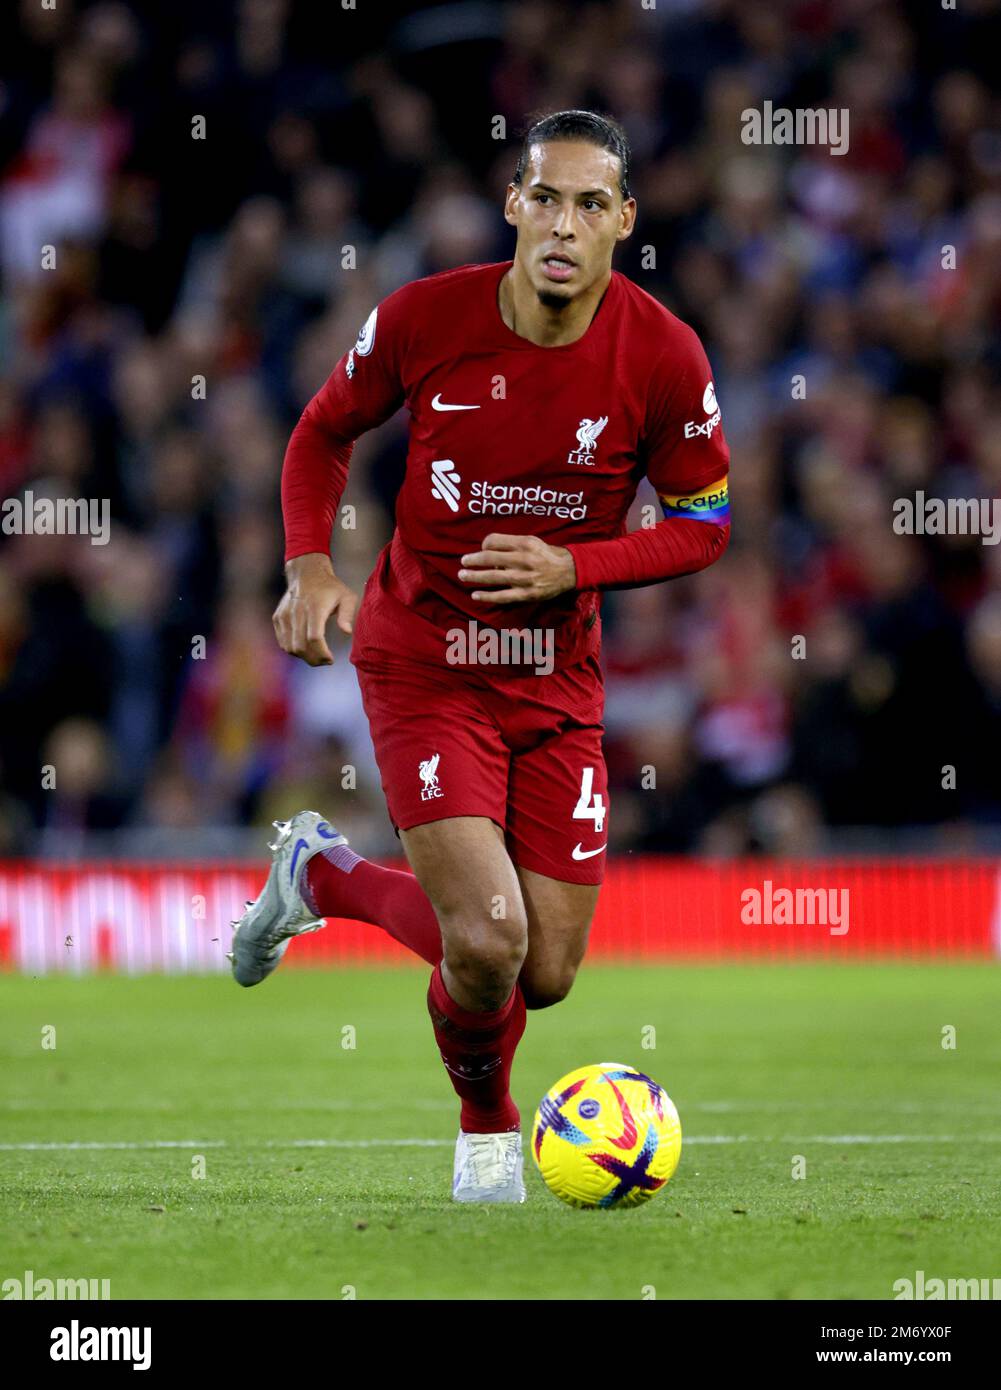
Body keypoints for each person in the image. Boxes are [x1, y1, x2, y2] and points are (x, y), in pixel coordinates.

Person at [229, 110, 730, 1202]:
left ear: (622, 222)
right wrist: (311, 565)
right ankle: (488, 1128)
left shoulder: (662, 354)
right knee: (489, 939)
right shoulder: (422, 317)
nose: (562, 223)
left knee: (542, 972)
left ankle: (321, 873)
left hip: (557, 680)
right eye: (543, 197)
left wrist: (577, 567)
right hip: (426, 662)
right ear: (512, 203)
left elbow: (703, 520)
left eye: (589, 204)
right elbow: (320, 431)